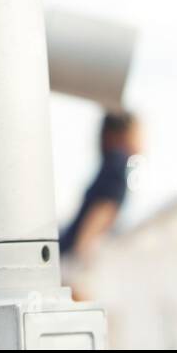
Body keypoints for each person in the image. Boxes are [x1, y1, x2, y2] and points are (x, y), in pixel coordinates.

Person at [59, 109, 140, 301]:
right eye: (138, 133)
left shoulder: (111, 163)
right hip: (74, 256)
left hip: (67, 252)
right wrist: (80, 263)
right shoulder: (118, 163)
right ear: (119, 136)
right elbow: (102, 210)